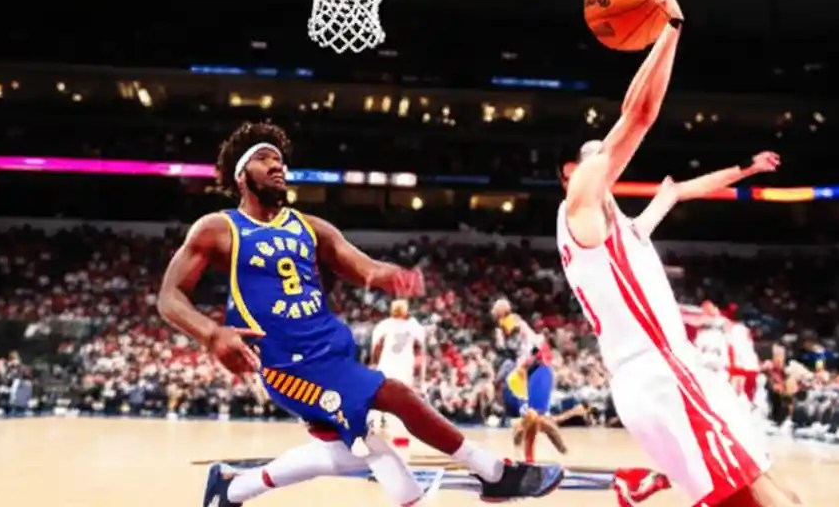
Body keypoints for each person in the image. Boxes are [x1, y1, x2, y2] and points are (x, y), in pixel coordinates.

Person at [157, 121, 564, 507]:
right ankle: (495, 474)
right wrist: (211, 333)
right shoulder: (219, 228)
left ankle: (232, 488)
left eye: (281, 159)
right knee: (395, 397)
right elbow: (169, 297)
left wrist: (396, 277)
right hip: (287, 364)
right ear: (243, 175)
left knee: (350, 451)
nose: (278, 165)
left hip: (332, 353)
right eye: (266, 159)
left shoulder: (311, 227)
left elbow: (366, 268)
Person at [557, 15, 804, 507]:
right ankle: (646, 477)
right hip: (657, 373)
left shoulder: (627, 229)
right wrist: (669, 28)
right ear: (574, 175)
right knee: (755, 499)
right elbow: (640, 114)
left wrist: (747, 169)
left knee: (774, 491)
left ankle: (644, 478)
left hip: (672, 371)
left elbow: (681, 190)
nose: (607, 161)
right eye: (596, 158)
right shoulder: (578, 210)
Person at [491, 298, 564, 460]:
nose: (492, 312)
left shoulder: (511, 322)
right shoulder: (510, 325)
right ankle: (530, 453)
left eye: (495, 309)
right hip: (527, 368)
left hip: (536, 363)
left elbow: (517, 345)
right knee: (532, 415)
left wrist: (501, 340)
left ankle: (529, 439)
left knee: (533, 415)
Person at [369, 298, 426, 457]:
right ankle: (401, 449)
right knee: (401, 410)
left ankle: (378, 445)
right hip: (404, 372)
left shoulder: (383, 326)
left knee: (380, 407)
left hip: (386, 370)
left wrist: (373, 365)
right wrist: (420, 377)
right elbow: (420, 352)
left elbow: (375, 350)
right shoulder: (414, 327)